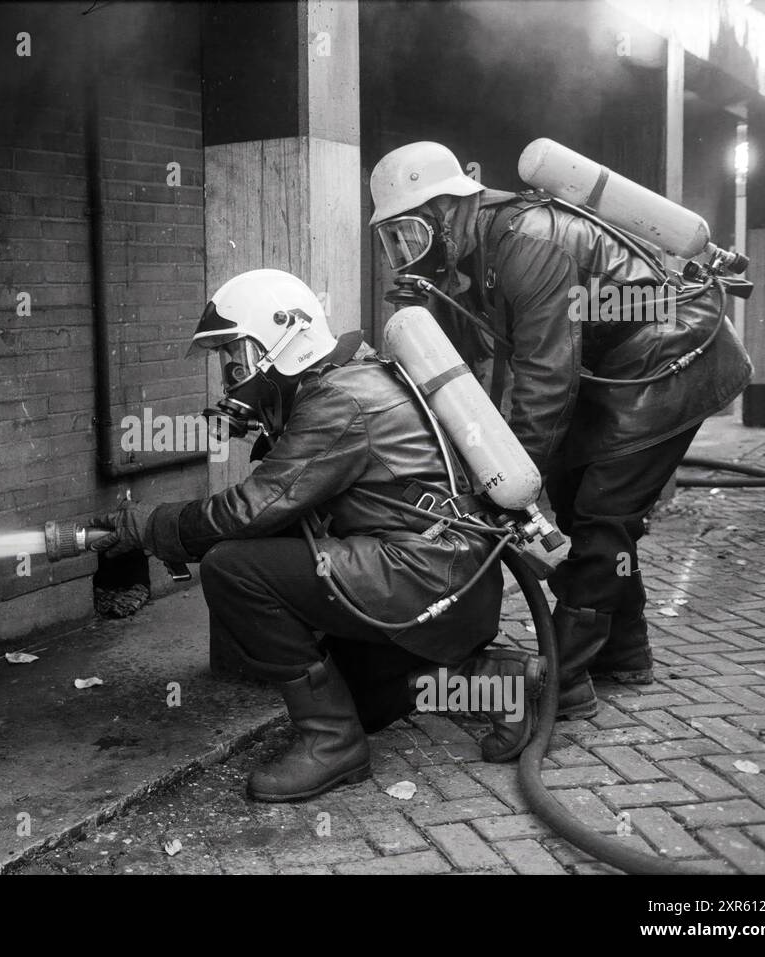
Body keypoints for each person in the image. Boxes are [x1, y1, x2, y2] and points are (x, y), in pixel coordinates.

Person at [88, 268, 539, 803]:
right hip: (444, 576)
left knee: (235, 568)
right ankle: (508, 681)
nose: (231, 374)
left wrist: (149, 526)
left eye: (236, 354)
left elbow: (250, 511)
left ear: (280, 338)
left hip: (422, 576)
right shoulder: (350, 380)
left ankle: (332, 744)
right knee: (368, 701)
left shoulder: (339, 400)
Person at [367, 142, 753, 719]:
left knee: (602, 515)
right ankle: (625, 652)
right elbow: (497, 369)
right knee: (579, 506)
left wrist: (508, 482)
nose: (407, 253)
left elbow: (545, 376)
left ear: (449, 211)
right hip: (620, 367)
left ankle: (563, 677)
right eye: (395, 240)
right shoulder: (482, 252)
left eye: (414, 232)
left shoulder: (528, 243)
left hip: (672, 360)